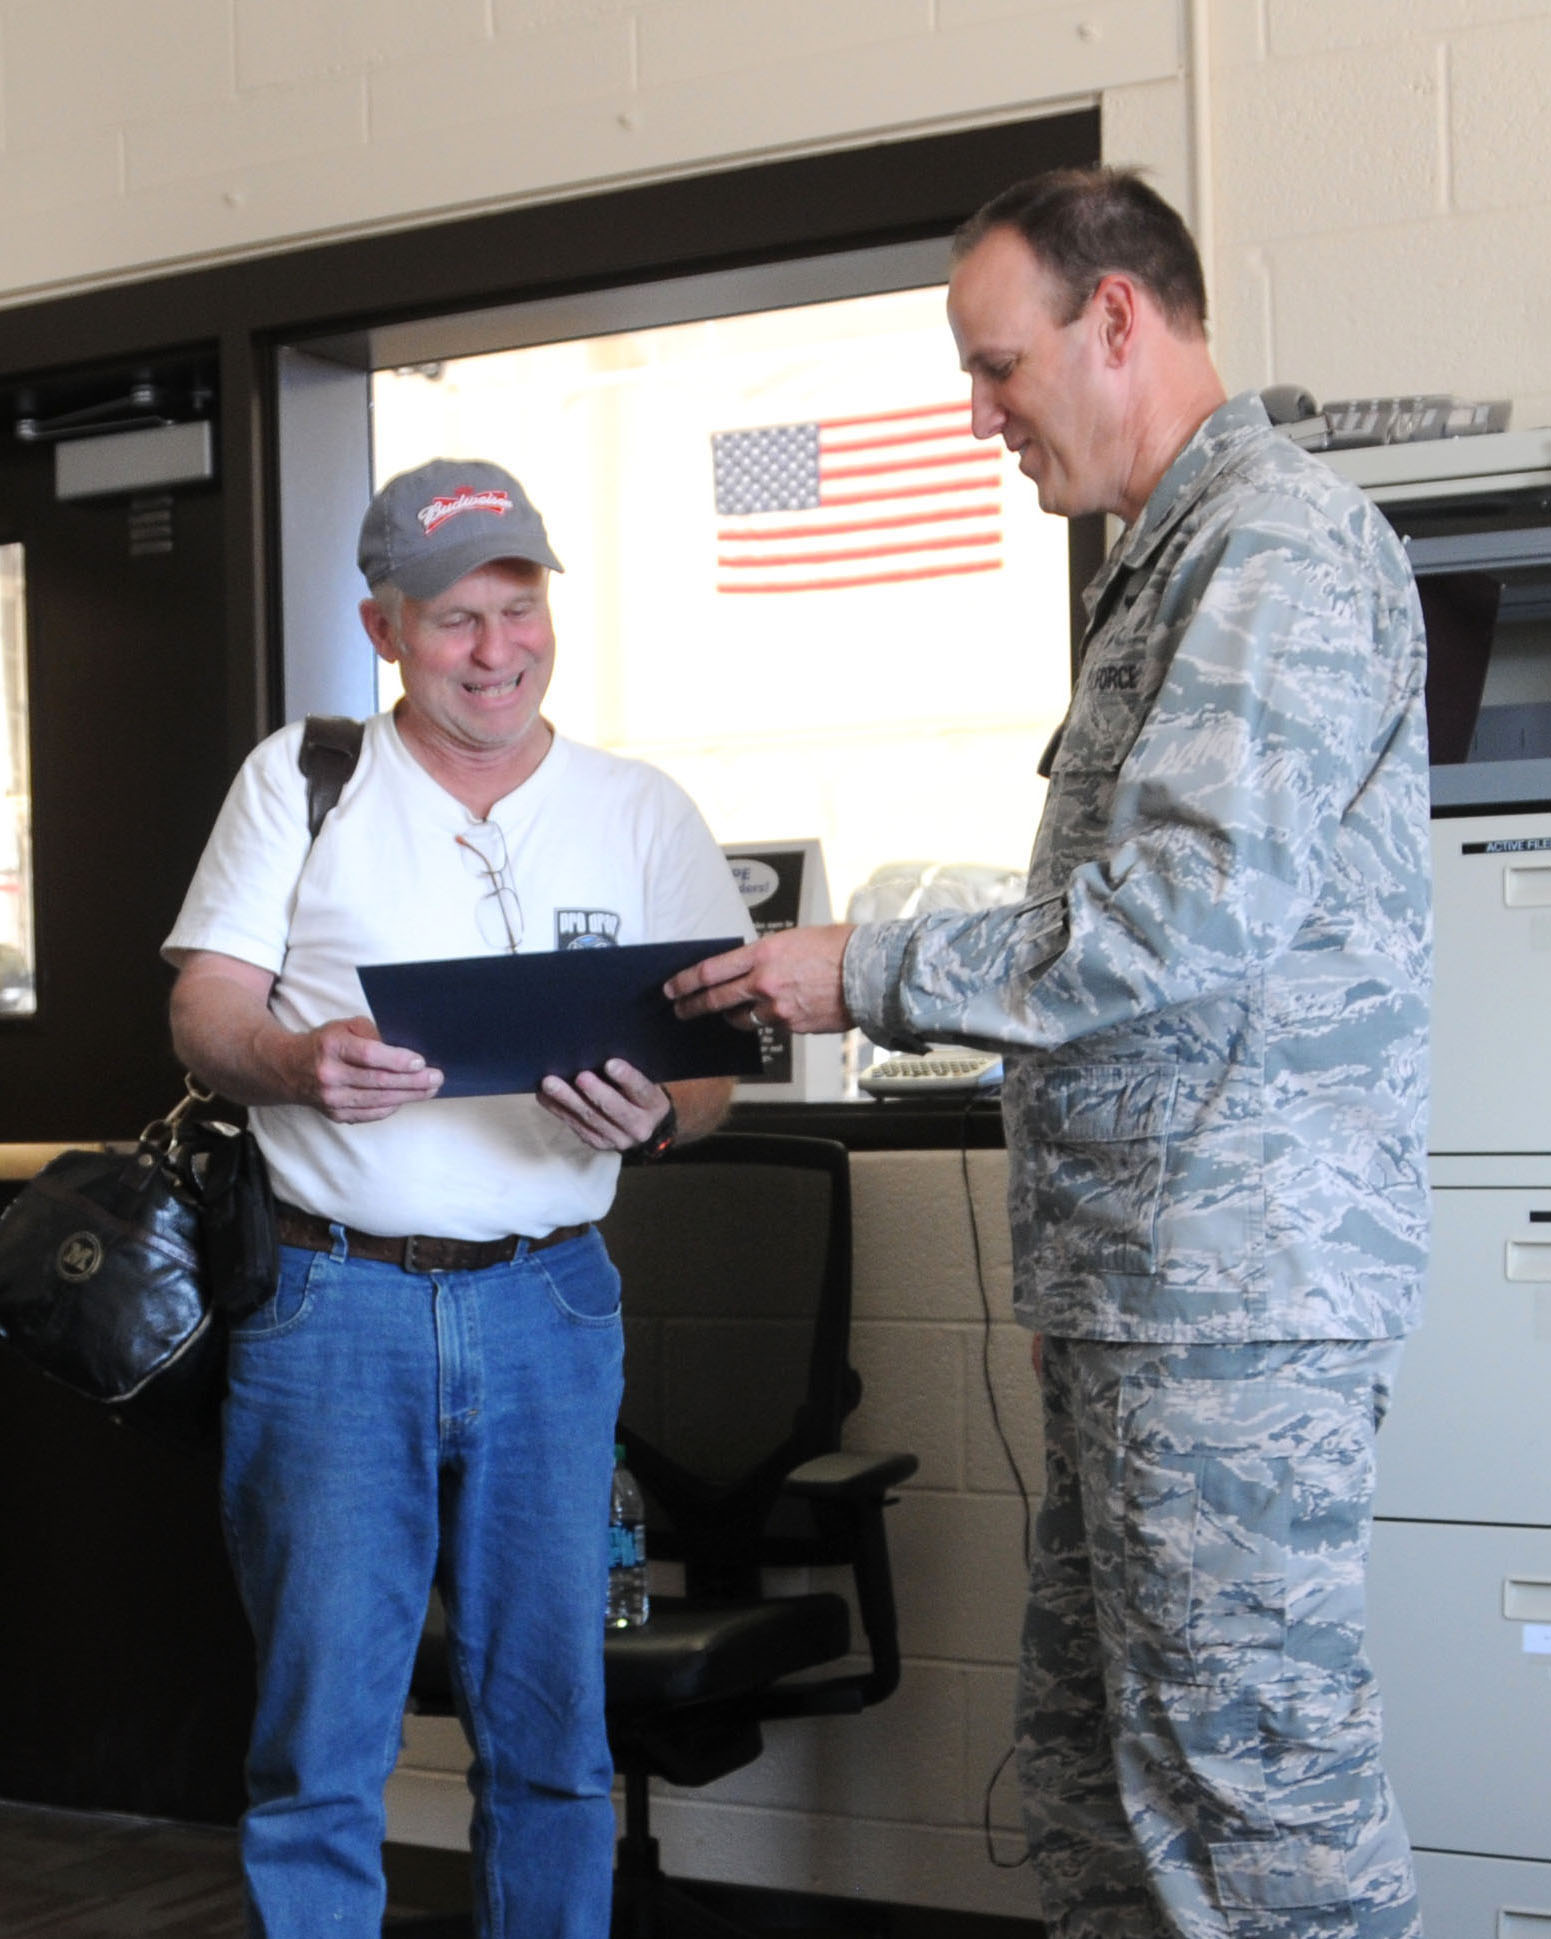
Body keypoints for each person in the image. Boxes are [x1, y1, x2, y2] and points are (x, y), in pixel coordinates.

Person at [668, 168, 1430, 1939]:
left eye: (998, 366)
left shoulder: (1277, 551)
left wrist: (868, 969)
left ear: (1116, 318)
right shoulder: (1168, 566)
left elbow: (1187, 914)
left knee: (1257, 1788)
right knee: (1100, 1775)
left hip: (1232, 1295)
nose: (983, 411)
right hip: (1146, 1285)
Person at [164, 457, 751, 1939]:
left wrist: (660, 1112)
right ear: (383, 626)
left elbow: (714, 1066)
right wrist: (295, 1063)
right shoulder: (304, 780)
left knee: (553, 1738)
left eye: (519, 607)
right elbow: (206, 1013)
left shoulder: (639, 810)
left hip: (548, 1298)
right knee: (321, 1746)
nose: (497, 650)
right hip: (330, 1300)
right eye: (454, 621)